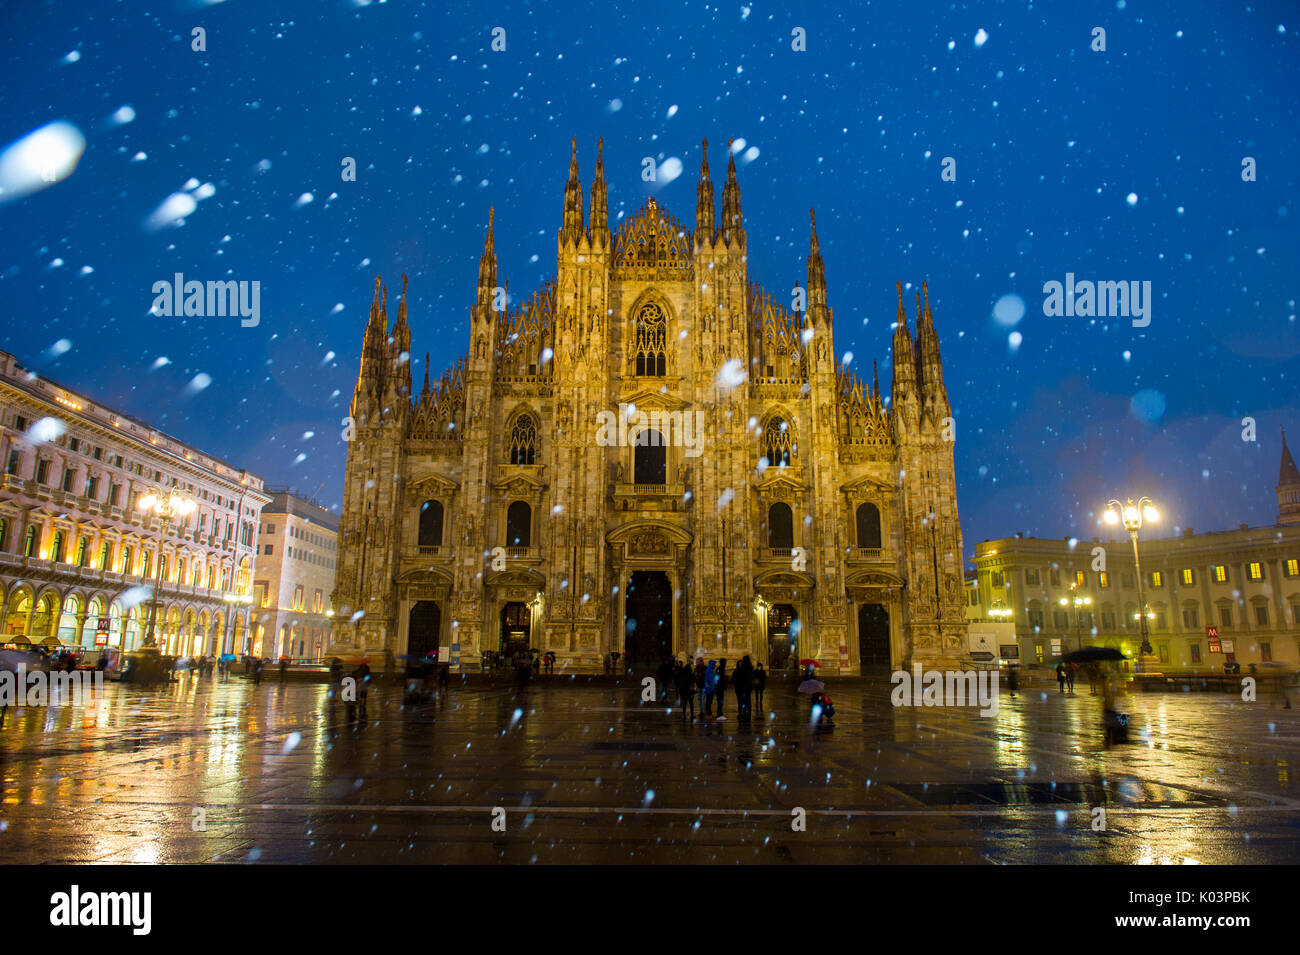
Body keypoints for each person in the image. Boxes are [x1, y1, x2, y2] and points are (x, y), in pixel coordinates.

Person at [733, 655, 754, 724]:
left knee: (743, 701)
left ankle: (744, 713)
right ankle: (749, 713)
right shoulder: (750, 667)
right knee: (748, 700)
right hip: (749, 686)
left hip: (743, 687)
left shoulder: (743, 668)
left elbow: (741, 678)